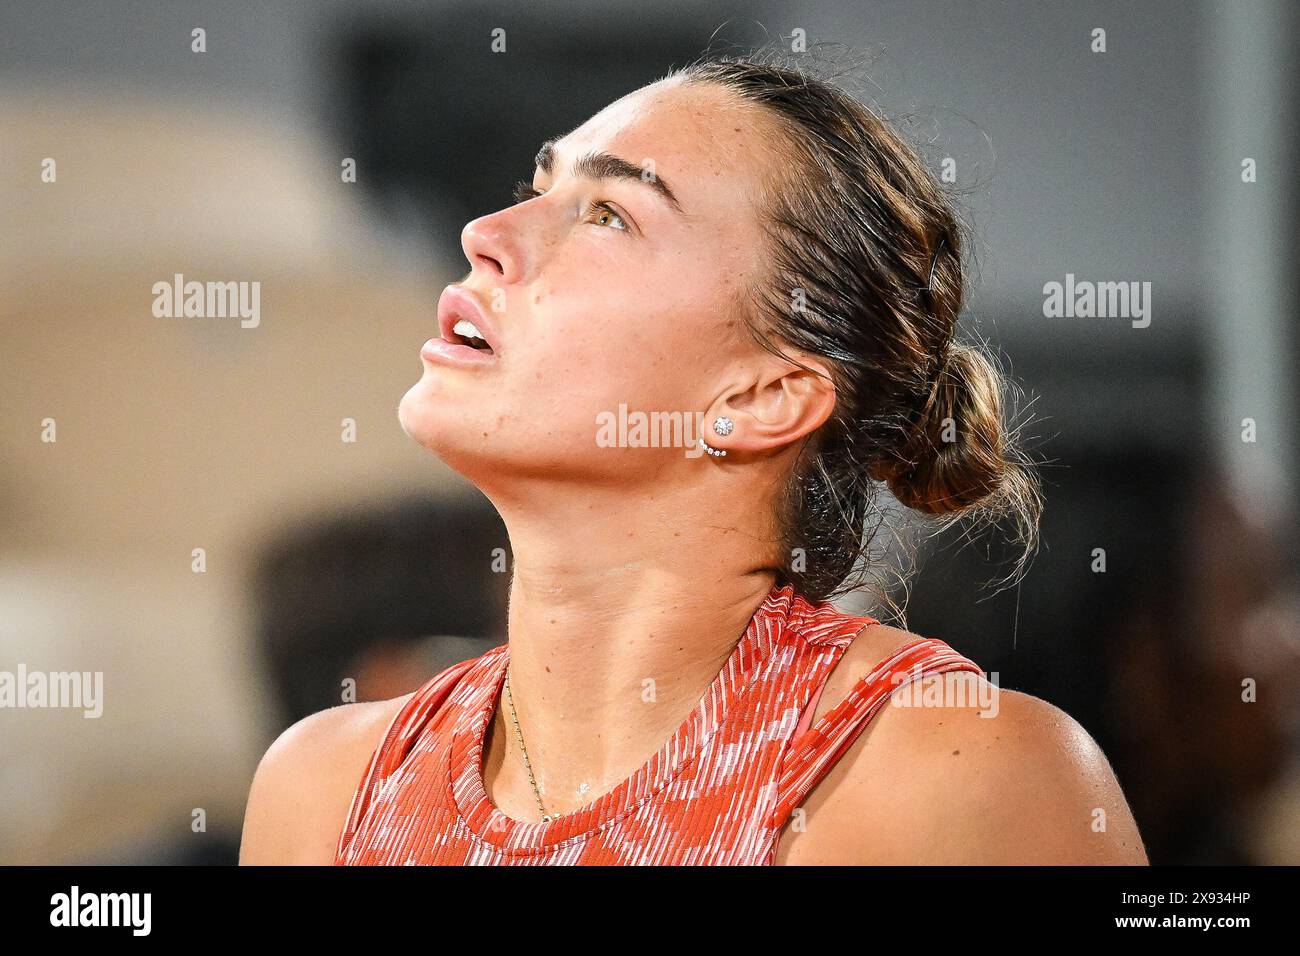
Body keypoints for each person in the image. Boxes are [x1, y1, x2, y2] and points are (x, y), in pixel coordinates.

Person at [240, 53, 1147, 865]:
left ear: (763, 397)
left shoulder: (956, 773)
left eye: (608, 214)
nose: (487, 231)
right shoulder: (325, 790)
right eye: (538, 184)